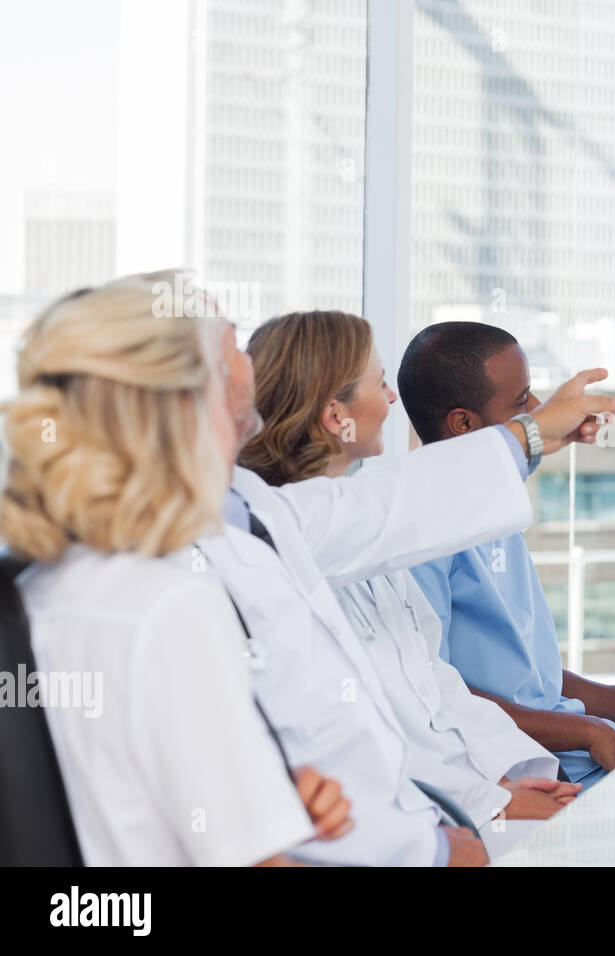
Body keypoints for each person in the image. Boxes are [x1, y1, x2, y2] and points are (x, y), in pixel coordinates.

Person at [190, 282, 615, 865]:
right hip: (405, 822)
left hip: (443, 807)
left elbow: (431, 686)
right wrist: (480, 810)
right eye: (377, 382)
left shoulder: (297, 514)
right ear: (334, 413)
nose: (392, 400)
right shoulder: (273, 529)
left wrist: (507, 787)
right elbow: (353, 733)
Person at [0, 279, 352, 866]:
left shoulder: (42, 586)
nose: (244, 415)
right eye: (225, 389)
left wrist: (262, 794)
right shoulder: (168, 605)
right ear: (179, 411)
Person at [400, 321, 615, 786]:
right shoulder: (421, 534)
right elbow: (437, 694)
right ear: (463, 423)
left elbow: (529, 675)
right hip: (525, 767)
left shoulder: (491, 507)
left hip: (573, 749)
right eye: (523, 400)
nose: (538, 412)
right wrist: (587, 732)